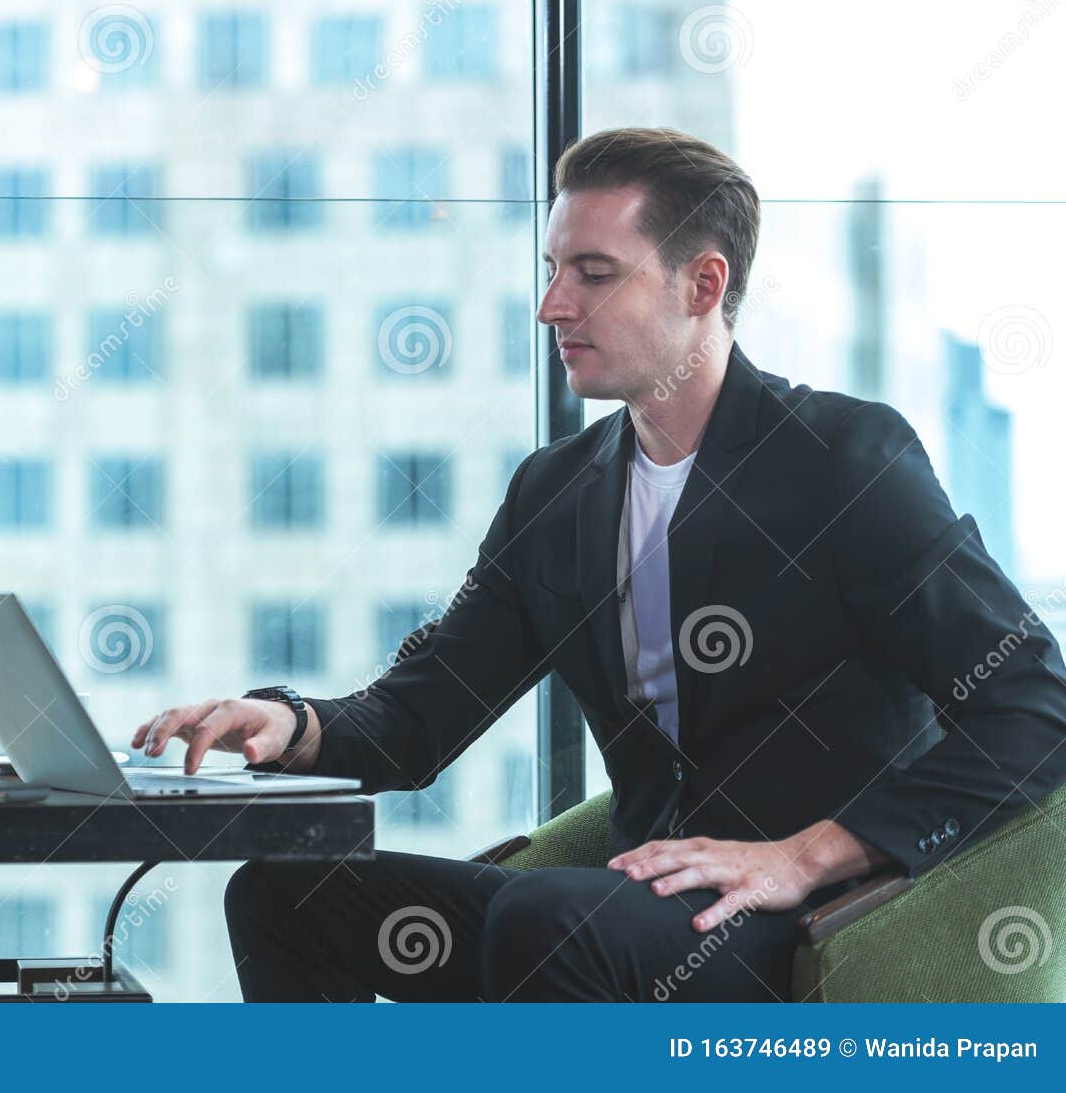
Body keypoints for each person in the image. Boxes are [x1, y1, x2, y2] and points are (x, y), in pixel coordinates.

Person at [130, 127, 1066, 1002]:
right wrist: (286, 725)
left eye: (593, 273)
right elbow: (418, 720)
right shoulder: (558, 492)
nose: (552, 306)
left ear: (702, 285)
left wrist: (804, 855)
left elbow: (1033, 705)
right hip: (631, 901)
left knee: (545, 918)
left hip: (800, 918)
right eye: (551, 270)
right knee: (283, 894)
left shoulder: (842, 460)